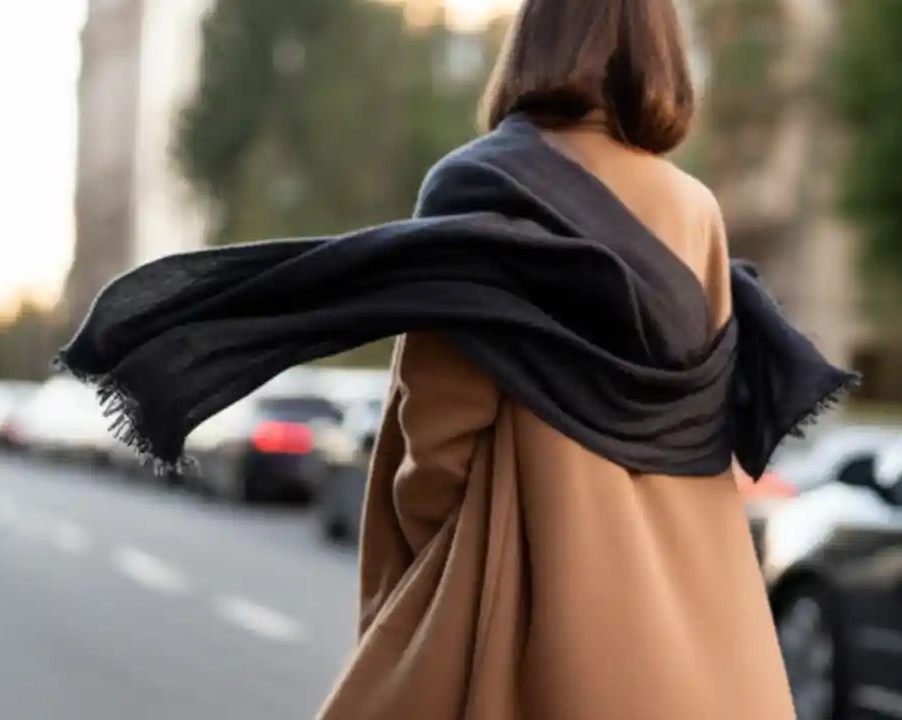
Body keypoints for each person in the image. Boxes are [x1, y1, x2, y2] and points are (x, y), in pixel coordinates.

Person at [57, 1, 856, 717]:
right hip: (703, 643)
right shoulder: (696, 211)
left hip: (542, 630)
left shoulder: (488, 187)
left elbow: (434, 444)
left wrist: (447, 577)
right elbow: (698, 425)